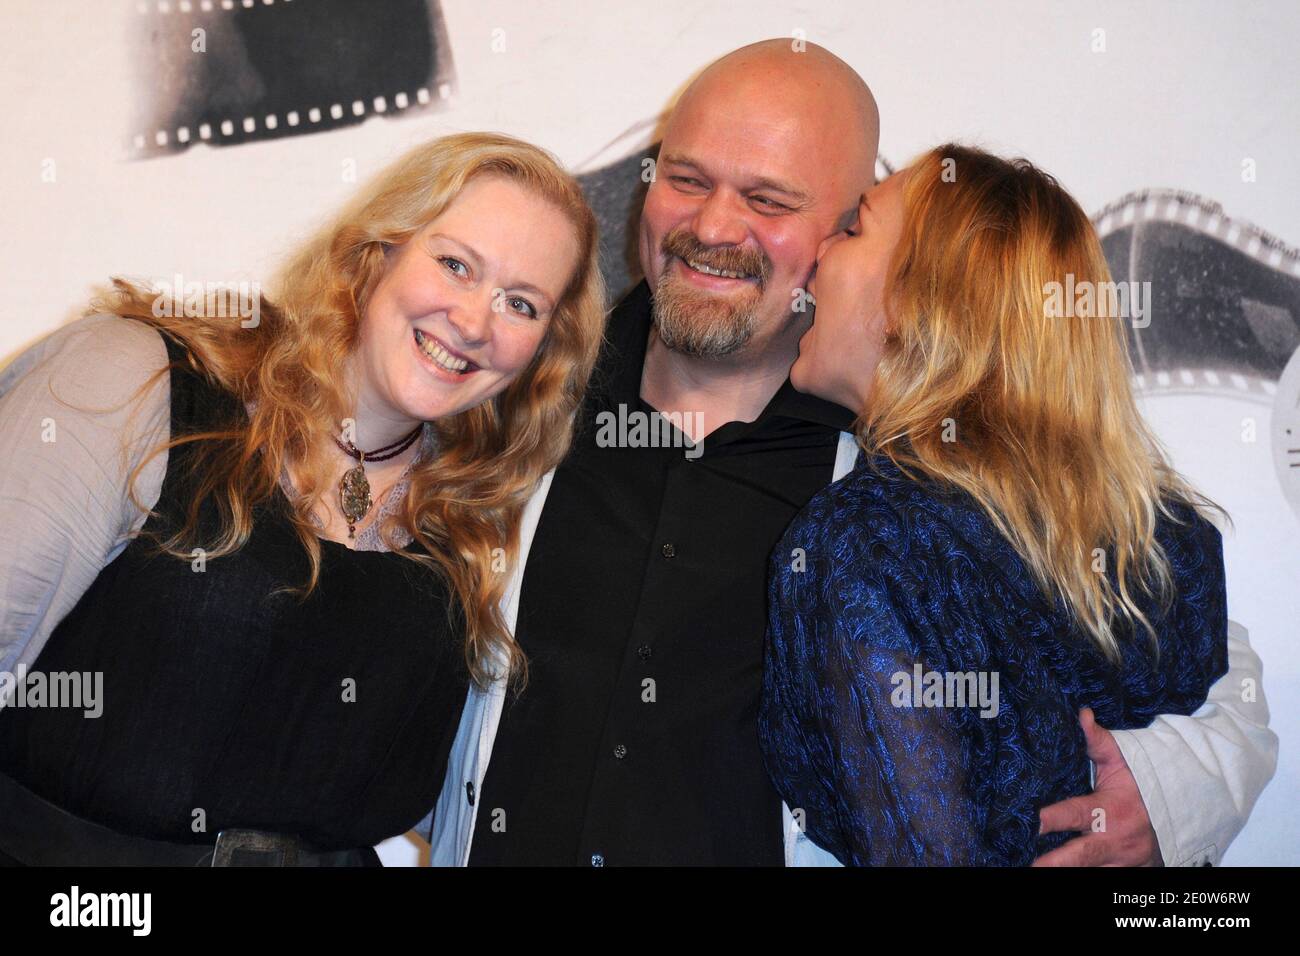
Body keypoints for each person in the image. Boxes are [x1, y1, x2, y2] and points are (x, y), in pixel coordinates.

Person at [429, 40, 1277, 867]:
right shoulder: (515, 399)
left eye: (768, 200)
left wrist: (1168, 801)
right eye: (685, 179)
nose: (713, 225)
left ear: (844, 233)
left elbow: (1199, 656)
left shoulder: (914, 472)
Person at [0, 132, 606, 866]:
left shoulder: (475, 529)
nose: (475, 323)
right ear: (374, 254)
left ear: (545, 350)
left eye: (521, 304)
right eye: (454, 265)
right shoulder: (134, 380)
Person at [759, 144, 1243, 865]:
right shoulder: (1173, 535)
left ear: (917, 304)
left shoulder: (865, 543)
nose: (820, 253)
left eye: (854, 230)